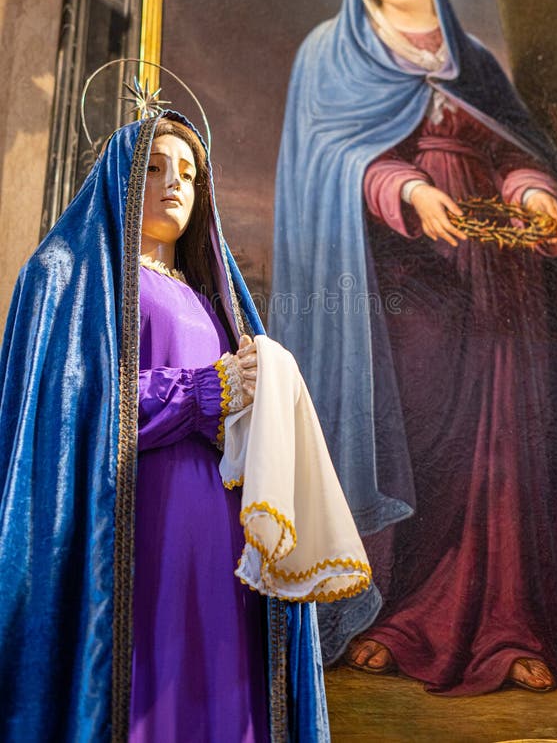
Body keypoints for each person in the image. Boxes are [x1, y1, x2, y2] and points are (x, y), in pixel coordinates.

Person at [270, 0, 557, 695]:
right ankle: (393, 614)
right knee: (419, 439)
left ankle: (514, 624)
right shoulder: (335, 50)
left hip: (501, 278)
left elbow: (515, 149)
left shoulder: (470, 56)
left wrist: (536, 194)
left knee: (506, 446)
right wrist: (409, 189)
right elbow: (327, 154)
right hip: (407, 280)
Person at [0, 109, 330, 741]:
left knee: (221, 692)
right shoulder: (70, 279)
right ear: (119, 176)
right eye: (152, 167)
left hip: (224, 545)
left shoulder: (215, 300)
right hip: (139, 533)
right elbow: (76, 401)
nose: (173, 183)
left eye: (188, 172)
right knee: (152, 688)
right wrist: (210, 388)